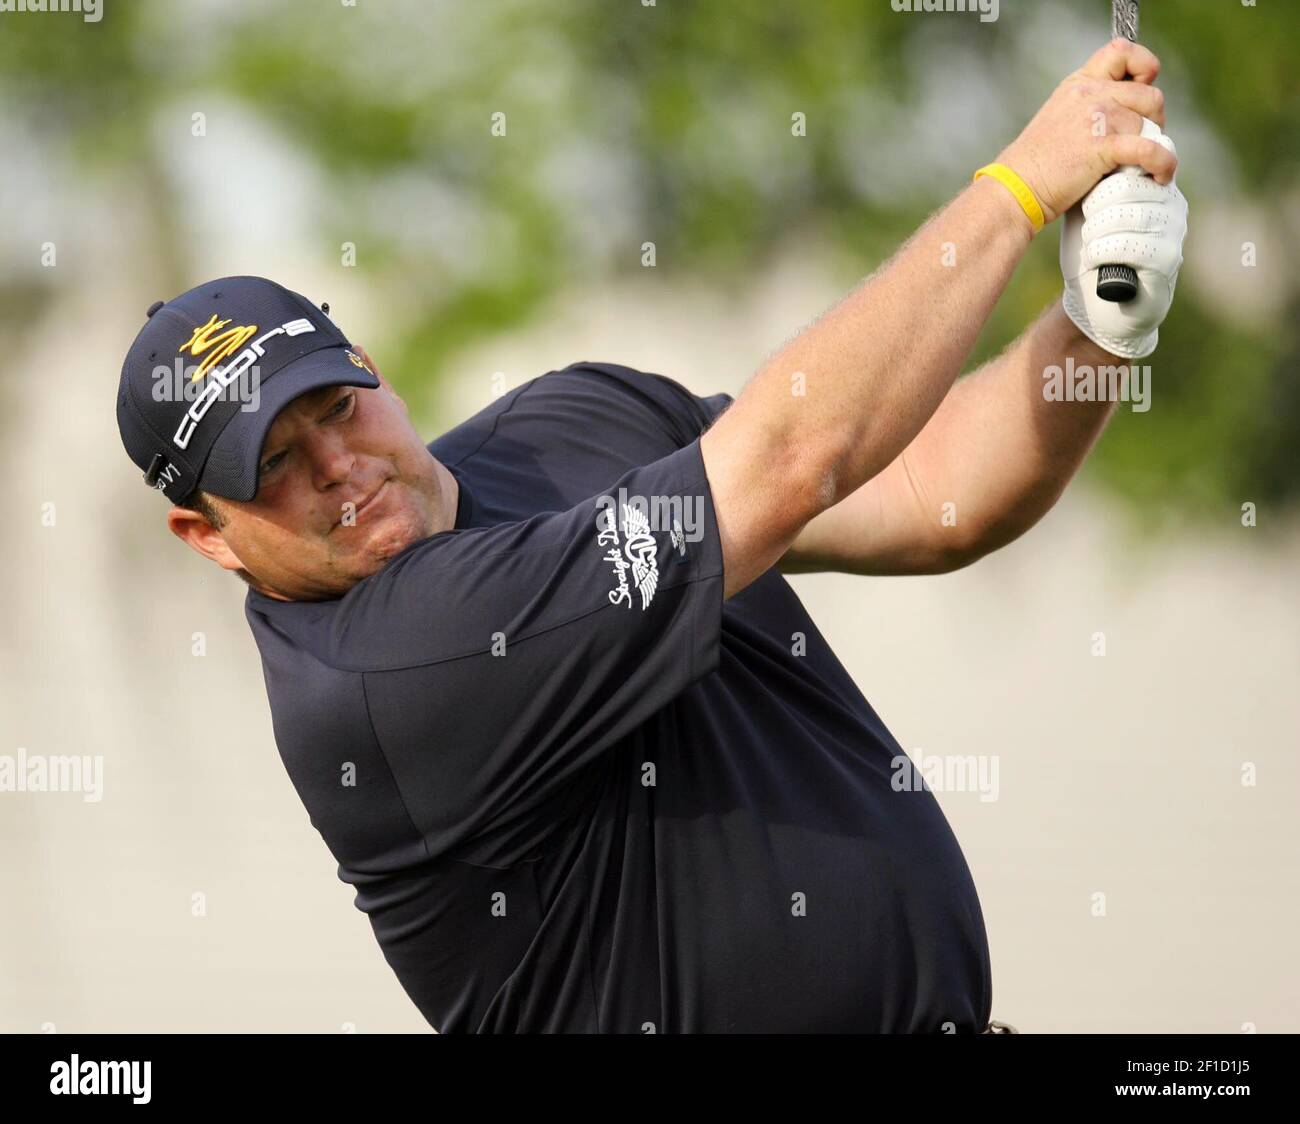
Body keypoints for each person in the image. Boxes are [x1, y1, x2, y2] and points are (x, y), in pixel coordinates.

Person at [115, 38, 1186, 1032]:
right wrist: (1012, 193)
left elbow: (936, 488)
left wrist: (1098, 324)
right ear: (207, 537)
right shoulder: (378, 670)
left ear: (373, 370)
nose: (335, 466)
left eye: (335, 408)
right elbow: (791, 458)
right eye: (273, 466)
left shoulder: (573, 421)